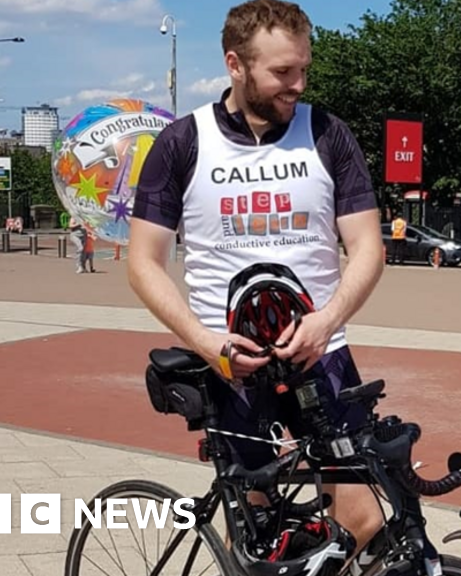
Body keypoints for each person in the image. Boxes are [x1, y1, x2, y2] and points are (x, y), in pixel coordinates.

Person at [127, 0, 385, 552]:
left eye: (303, 69)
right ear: (236, 65)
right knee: (255, 535)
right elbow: (143, 263)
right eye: (282, 72)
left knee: (366, 524)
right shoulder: (182, 143)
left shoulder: (328, 134)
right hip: (231, 366)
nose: (297, 84)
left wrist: (329, 319)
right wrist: (204, 343)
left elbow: (368, 248)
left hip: (322, 354)